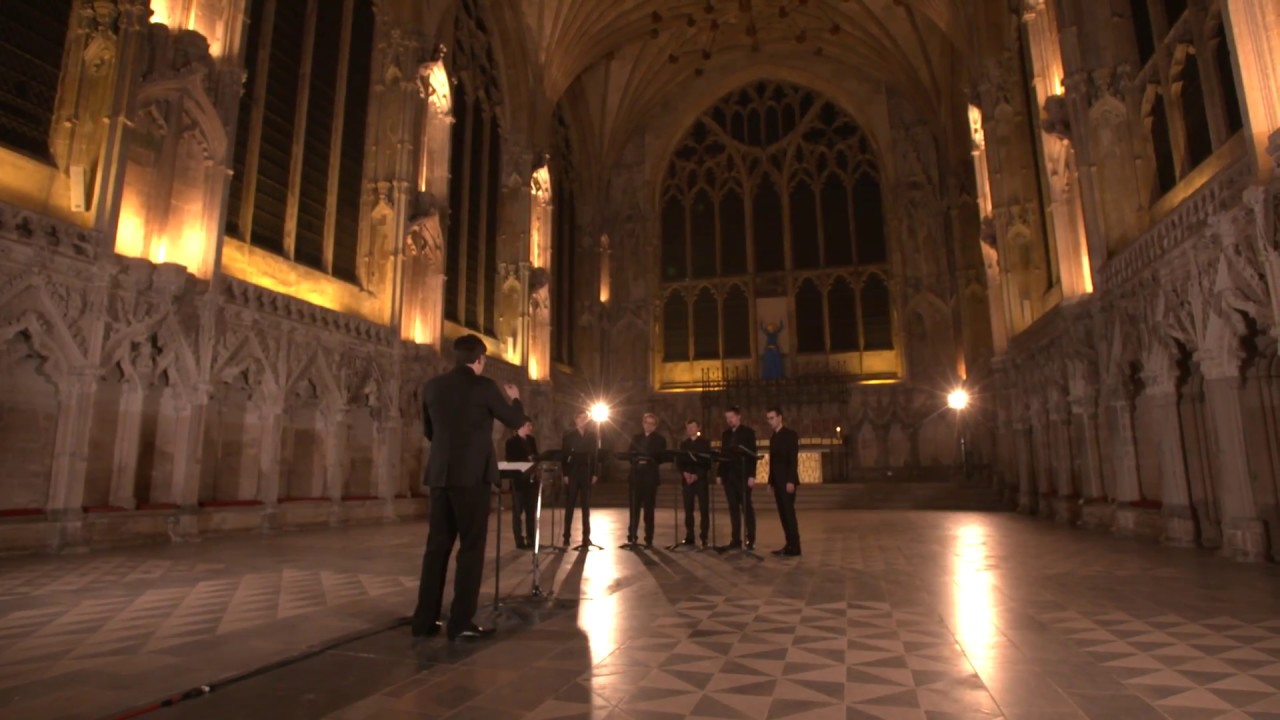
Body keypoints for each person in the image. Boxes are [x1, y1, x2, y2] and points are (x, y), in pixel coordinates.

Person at [413, 334, 526, 642]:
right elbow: (515, 419)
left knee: (437, 548)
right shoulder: (484, 386)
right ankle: (461, 621)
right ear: (479, 360)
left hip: (440, 476)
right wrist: (515, 396)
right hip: (472, 478)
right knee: (471, 550)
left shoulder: (433, 386)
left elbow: (429, 432)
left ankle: (424, 621)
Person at [716, 406, 757, 550]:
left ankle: (750, 539)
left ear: (738, 417)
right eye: (727, 418)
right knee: (733, 508)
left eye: (731, 417)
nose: (729, 420)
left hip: (743, 475)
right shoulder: (726, 434)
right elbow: (723, 454)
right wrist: (719, 474)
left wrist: (752, 475)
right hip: (729, 477)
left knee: (747, 508)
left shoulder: (748, 433)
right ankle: (735, 539)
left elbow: (753, 456)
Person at [626, 413, 668, 547]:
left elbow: (660, 457)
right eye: (646, 423)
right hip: (636, 476)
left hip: (650, 478)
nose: (648, 425)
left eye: (651, 423)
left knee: (649, 509)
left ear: (655, 426)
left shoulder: (660, 439)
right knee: (634, 508)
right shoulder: (636, 437)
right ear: (642, 423)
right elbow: (630, 454)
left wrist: (647, 459)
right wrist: (637, 459)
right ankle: (632, 536)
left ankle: (648, 537)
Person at [765, 407, 801, 556]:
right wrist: (770, 482)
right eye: (768, 419)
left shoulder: (790, 435)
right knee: (783, 515)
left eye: (772, 418)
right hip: (777, 482)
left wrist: (791, 480)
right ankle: (789, 544)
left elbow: (793, 460)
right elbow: (772, 462)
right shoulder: (773, 437)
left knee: (789, 514)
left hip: (787, 481)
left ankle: (795, 546)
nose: (770, 421)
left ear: (780, 417)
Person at [561, 411, 597, 548]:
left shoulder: (592, 435)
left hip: (586, 472)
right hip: (573, 473)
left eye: (585, 418)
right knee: (570, 505)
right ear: (575, 419)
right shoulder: (569, 435)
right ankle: (566, 537)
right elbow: (564, 456)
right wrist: (565, 474)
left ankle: (586, 537)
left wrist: (594, 473)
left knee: (586, 506)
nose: (583, 421)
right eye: (580, 418)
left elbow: (594, 455)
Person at [676, 419, 712, 547]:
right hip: (687, 481)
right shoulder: (684, 444)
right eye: (688, 427)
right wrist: (684, 474)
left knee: (703, 509)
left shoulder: (704, 444)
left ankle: (704, 537)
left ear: (698, 428)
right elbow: (679, 462)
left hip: (700, 481)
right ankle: (689, 536)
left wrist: (697, 475)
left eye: (693, 427)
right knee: (688, 510)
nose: (691, 429)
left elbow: (707, 463)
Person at [504, 420, 539, 549]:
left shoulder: (531, 440)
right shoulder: (511, 442)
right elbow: (510, 460)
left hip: (531, 480)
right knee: (517, 512)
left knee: (530, 512)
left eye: (531, 425)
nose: (531, 428)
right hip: (518, 481)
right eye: (528, 425)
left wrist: (535, 460)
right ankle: (519, 540)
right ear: (521, 426)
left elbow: (536, 456)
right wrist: (527, 460)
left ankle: (531, 538)